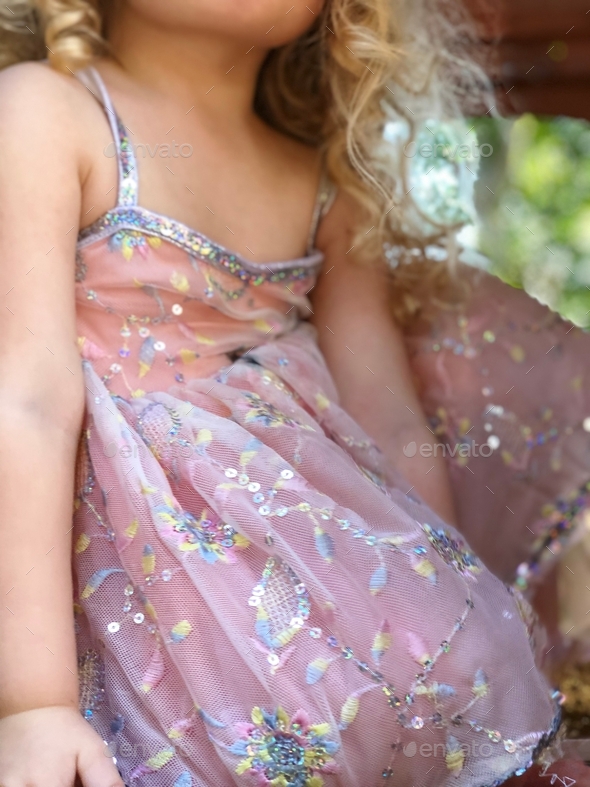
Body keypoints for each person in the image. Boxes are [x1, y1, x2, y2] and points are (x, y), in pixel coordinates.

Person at [0, 1, 588, 786]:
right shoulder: (48, 114)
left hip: (309, 609)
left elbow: (384, 415)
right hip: (103, 605)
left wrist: (450, 614)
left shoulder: (324, 178)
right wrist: (33, 704)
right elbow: (27, 400)